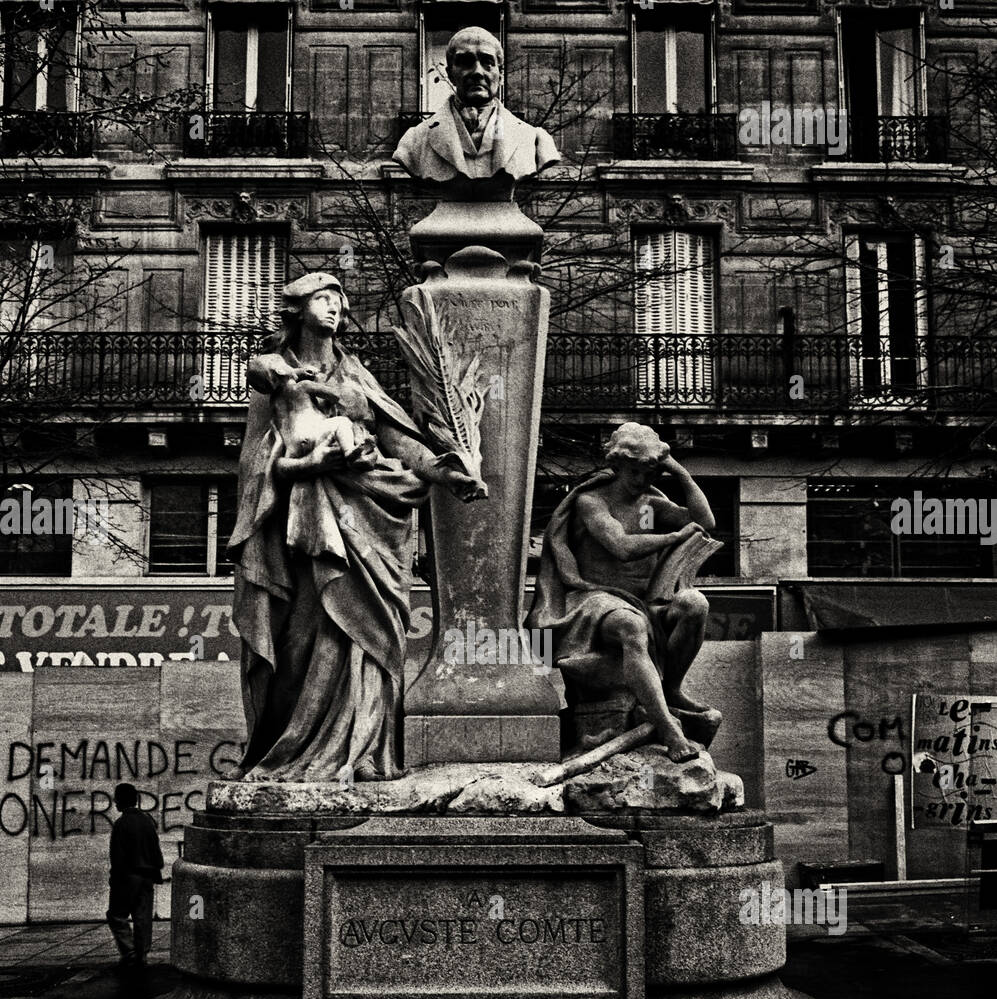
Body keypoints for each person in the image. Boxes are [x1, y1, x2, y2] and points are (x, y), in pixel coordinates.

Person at [227, 270, 480, 782]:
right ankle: (296, 748)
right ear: (298, 308)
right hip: (306, 526)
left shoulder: (355, 373)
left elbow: (395, 437)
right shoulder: (275, 375)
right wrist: (309, 467)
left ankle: (361, 750)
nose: (335, 307)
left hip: (369, 517)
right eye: (323, 298)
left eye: (340, 299)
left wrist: (445, 469)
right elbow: (258, 463)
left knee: (368, 637)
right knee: (302, 637)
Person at [527, 423, 721, 764]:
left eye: (650, 473)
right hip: (589, 599)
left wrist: (679, 472)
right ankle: (668, 727)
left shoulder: (650, 504)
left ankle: (671, 688)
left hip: (643, 603)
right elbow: (620, 546)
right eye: (635, 473)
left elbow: (705, 522)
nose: (642, 481)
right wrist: (672, 539)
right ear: (617, 466)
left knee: (694, 604)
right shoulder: (592, 501)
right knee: (630, 627)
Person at [392, 26, 560, 188]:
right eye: (466, 62)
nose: (477, 72)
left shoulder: (533, 139)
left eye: (487, 62)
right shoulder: (415, 141)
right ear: (450, 74)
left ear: (500, 74)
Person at [105, 783, 163, 967]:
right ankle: (142, 954)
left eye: (116, 798)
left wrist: (115, 879)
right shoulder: (147, 821)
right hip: (147, 876)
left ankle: (129, 952)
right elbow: (157, 853)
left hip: (128, 877)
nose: (114, 802)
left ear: (121, 800)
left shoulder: (121, 824)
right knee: (142, 917)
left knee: (116, 915)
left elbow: (118, 857)